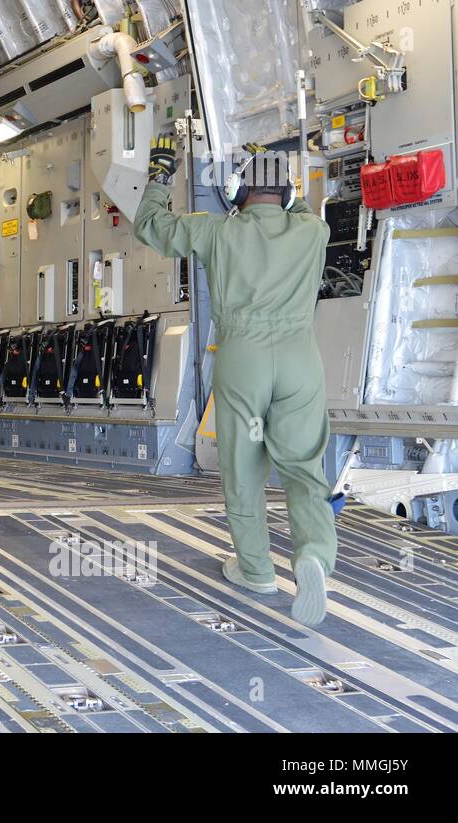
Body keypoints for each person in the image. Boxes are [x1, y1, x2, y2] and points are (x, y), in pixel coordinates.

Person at [134, 137, 336, 627]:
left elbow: (152, 227)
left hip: (242, 361)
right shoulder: (315, 231)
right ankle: (312, 556)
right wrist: (273, 165)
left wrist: (160, 175)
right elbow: (302, 207)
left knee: (243, 470)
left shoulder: (217, 232)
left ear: (234, 192)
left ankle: (256, 570)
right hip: (299, 360)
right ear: (286, 194)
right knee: (305, 471)